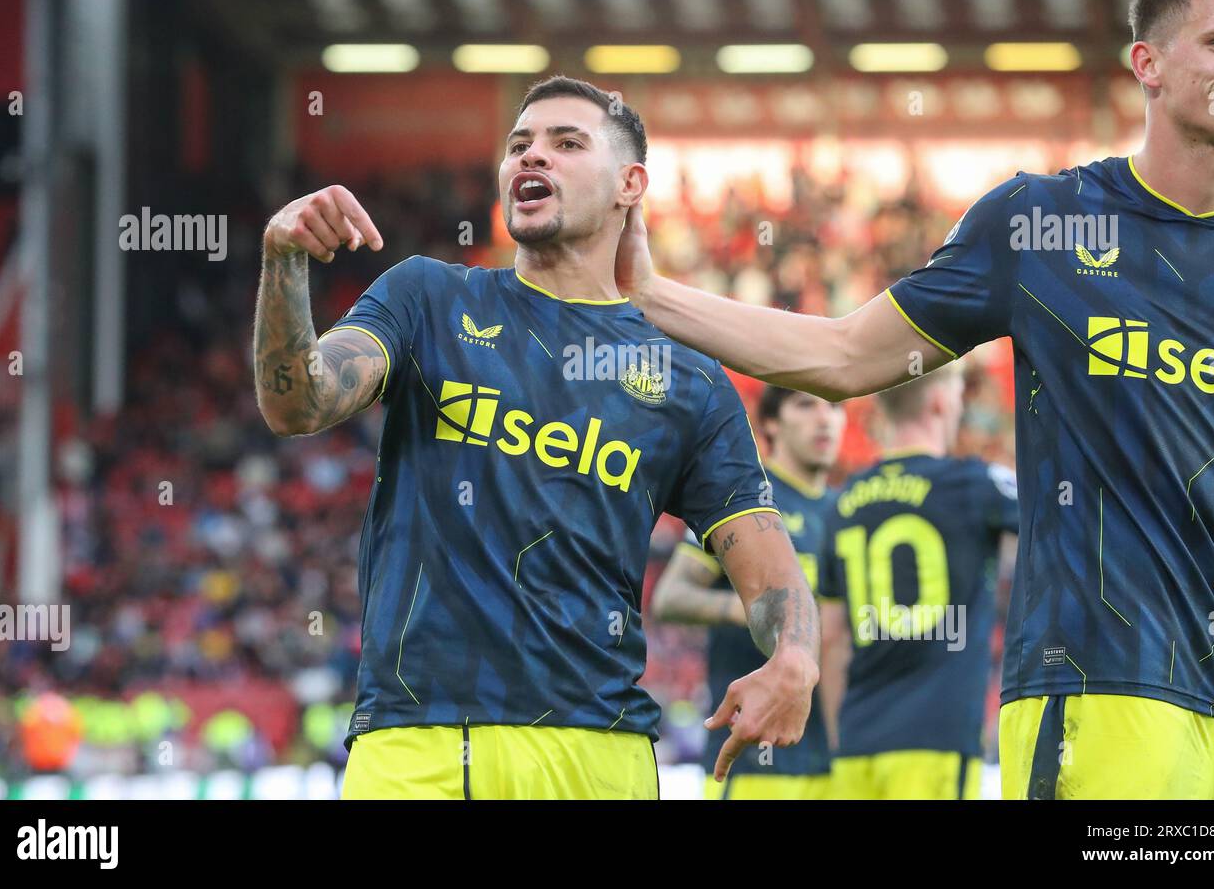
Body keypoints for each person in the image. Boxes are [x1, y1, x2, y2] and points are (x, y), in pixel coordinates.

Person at [613, 0, 1214, 798]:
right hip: (1098, 695)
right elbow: (845, 356)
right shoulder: (1043, 223)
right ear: (1149, 64)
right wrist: (653, 295)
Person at [253, 76, 819, 798]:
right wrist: (284, 261)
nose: (533, 156)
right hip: (416, 743)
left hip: (597, 752)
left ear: (628, 184)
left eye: (566, 143)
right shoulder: (427, 296)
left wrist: (796, 658)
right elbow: (297, 404)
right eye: (519, 144)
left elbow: (771, 574)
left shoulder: (687, 377)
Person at [821, 365, 1017, 799]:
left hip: (858, 743)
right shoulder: (974, 484)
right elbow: (1063, 520)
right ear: (940, 401)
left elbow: (831, 639)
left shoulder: (843, 503)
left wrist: (842, 741)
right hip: (936, 740)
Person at [652, 385, 845, 798]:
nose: (825, 418)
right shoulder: (744, 499)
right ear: (772, 423)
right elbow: (670, 597)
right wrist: (767, 611)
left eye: (835, 406)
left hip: (834, 760)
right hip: (753, 759)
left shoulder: (844, 510)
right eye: (806, 405)